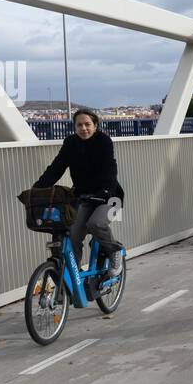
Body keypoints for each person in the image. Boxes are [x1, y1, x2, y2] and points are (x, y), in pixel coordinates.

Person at [33, 108, 126, 274]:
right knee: (73, 236)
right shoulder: (71, 143)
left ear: (95, 125)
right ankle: (73, 282)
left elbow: (110, 169)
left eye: (87, 124)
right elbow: (56, 168)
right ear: (75, 127)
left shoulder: (103, 141)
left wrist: (105, 191)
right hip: (84, 197)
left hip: (111, 198)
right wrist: (37, 189)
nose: (84, 128)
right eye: (79, 125)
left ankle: (115, 251)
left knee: (95, 224)